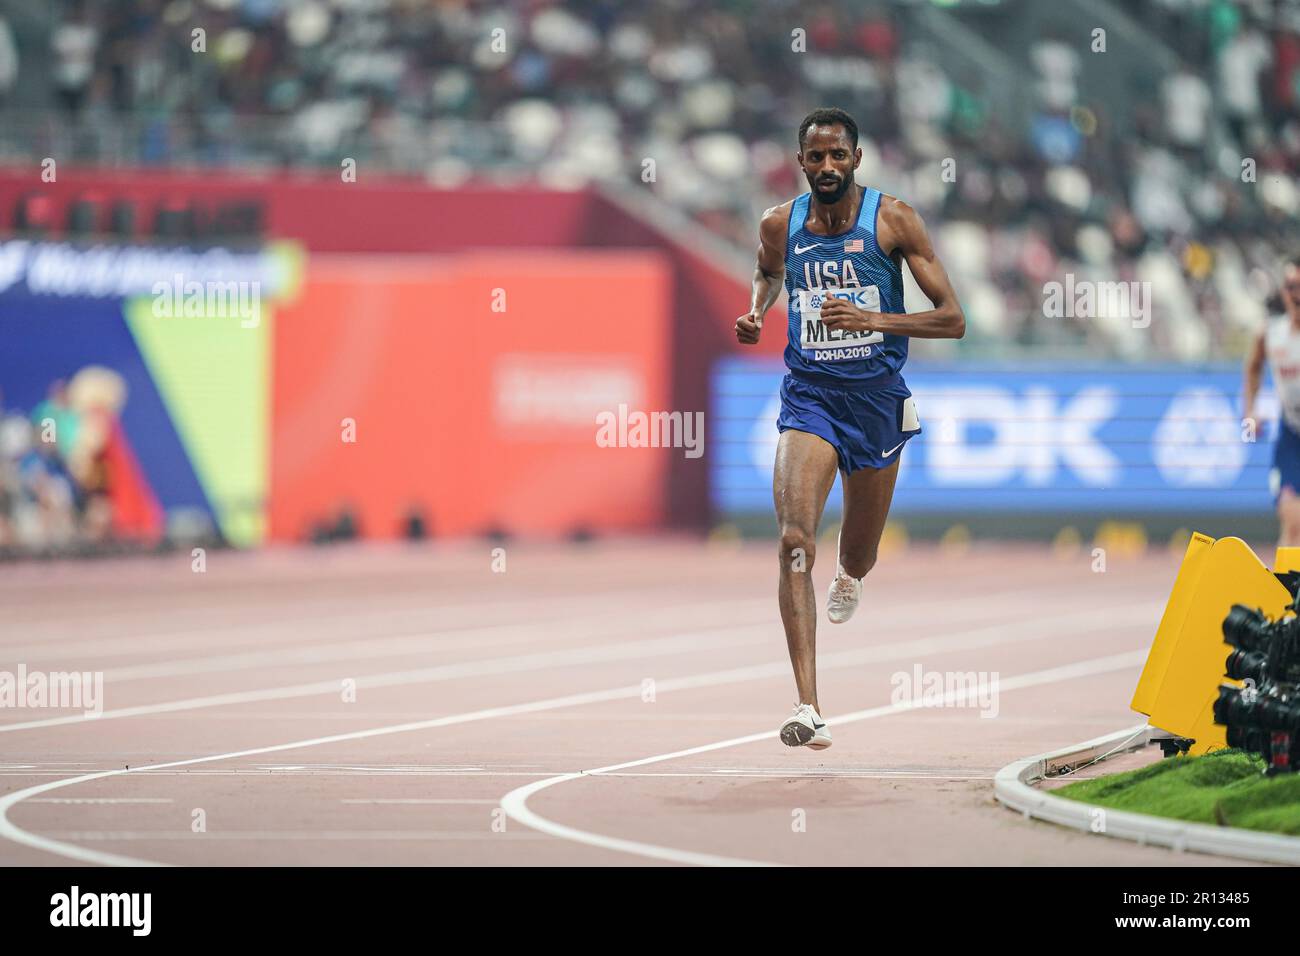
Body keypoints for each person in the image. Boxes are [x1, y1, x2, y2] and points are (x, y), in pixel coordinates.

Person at [734, 107, 965, 750]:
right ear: (800, 162)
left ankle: (851, 575)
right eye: (816, 157)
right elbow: (768, 269)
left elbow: (952, 319)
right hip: (809, 398)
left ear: (856, 159)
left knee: (857, 551)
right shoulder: (779, 224)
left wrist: (874, 320)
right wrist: (757, 310)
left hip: (876, 404)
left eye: (839, 155)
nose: (828, 167)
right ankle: (808, 706)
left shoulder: (892, 220)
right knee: (792, 539)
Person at [1243, 256, 1300, 546]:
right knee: (1293, 521)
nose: (1297, 294)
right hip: (1291, 438)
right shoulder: (1270, 332)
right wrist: (1250, 412)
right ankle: (1286, 589)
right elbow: (1253, 367)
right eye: (1291, 286)